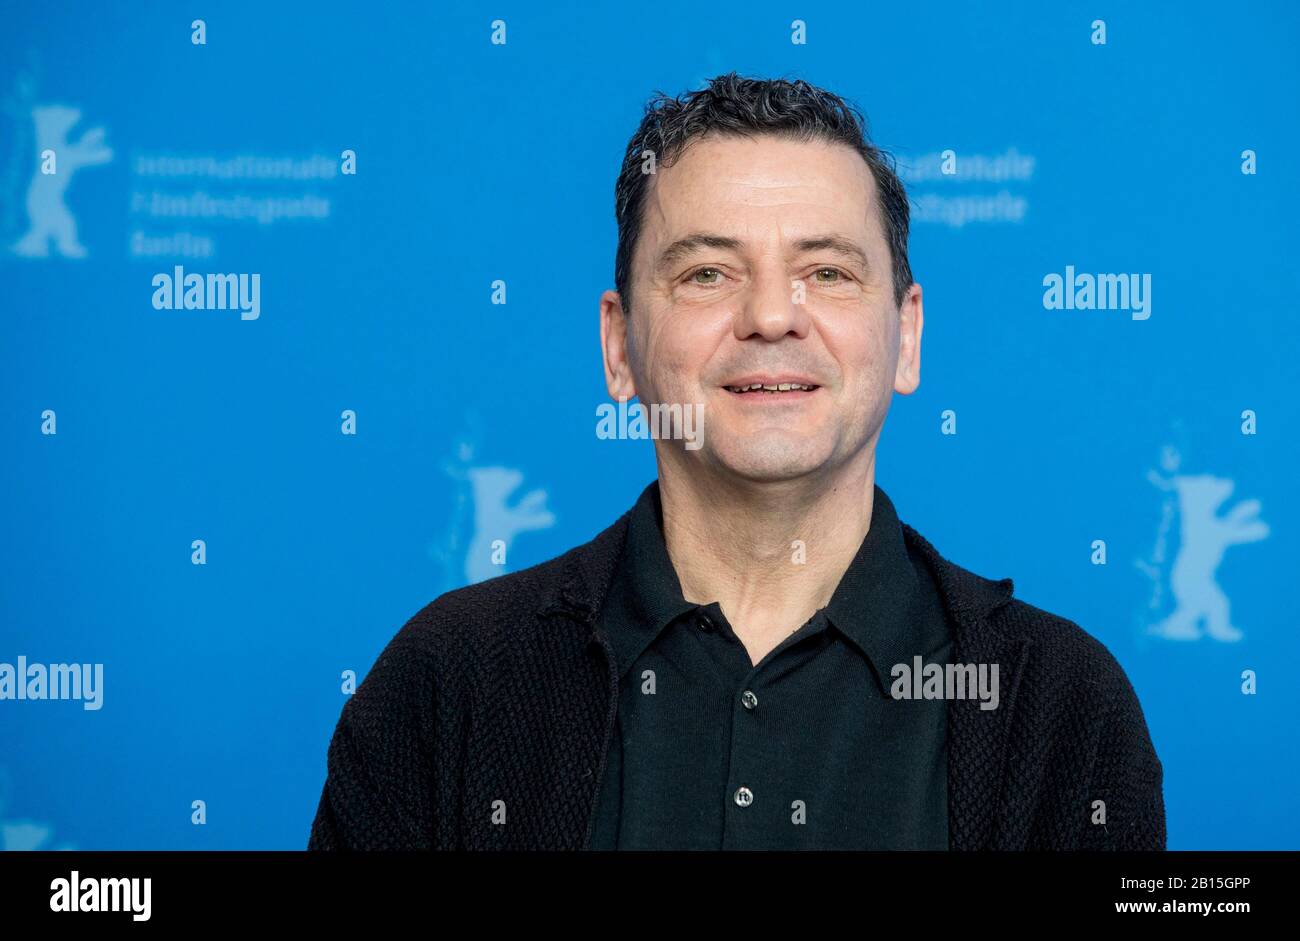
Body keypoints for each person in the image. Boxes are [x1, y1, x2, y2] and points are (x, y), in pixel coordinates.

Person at [308, 72, 1165, 851]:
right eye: (708, 273)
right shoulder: (448, 681)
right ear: (619, 348)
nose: (770, 316)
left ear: (906, 338)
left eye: (826, 272)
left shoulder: (1059, 706)